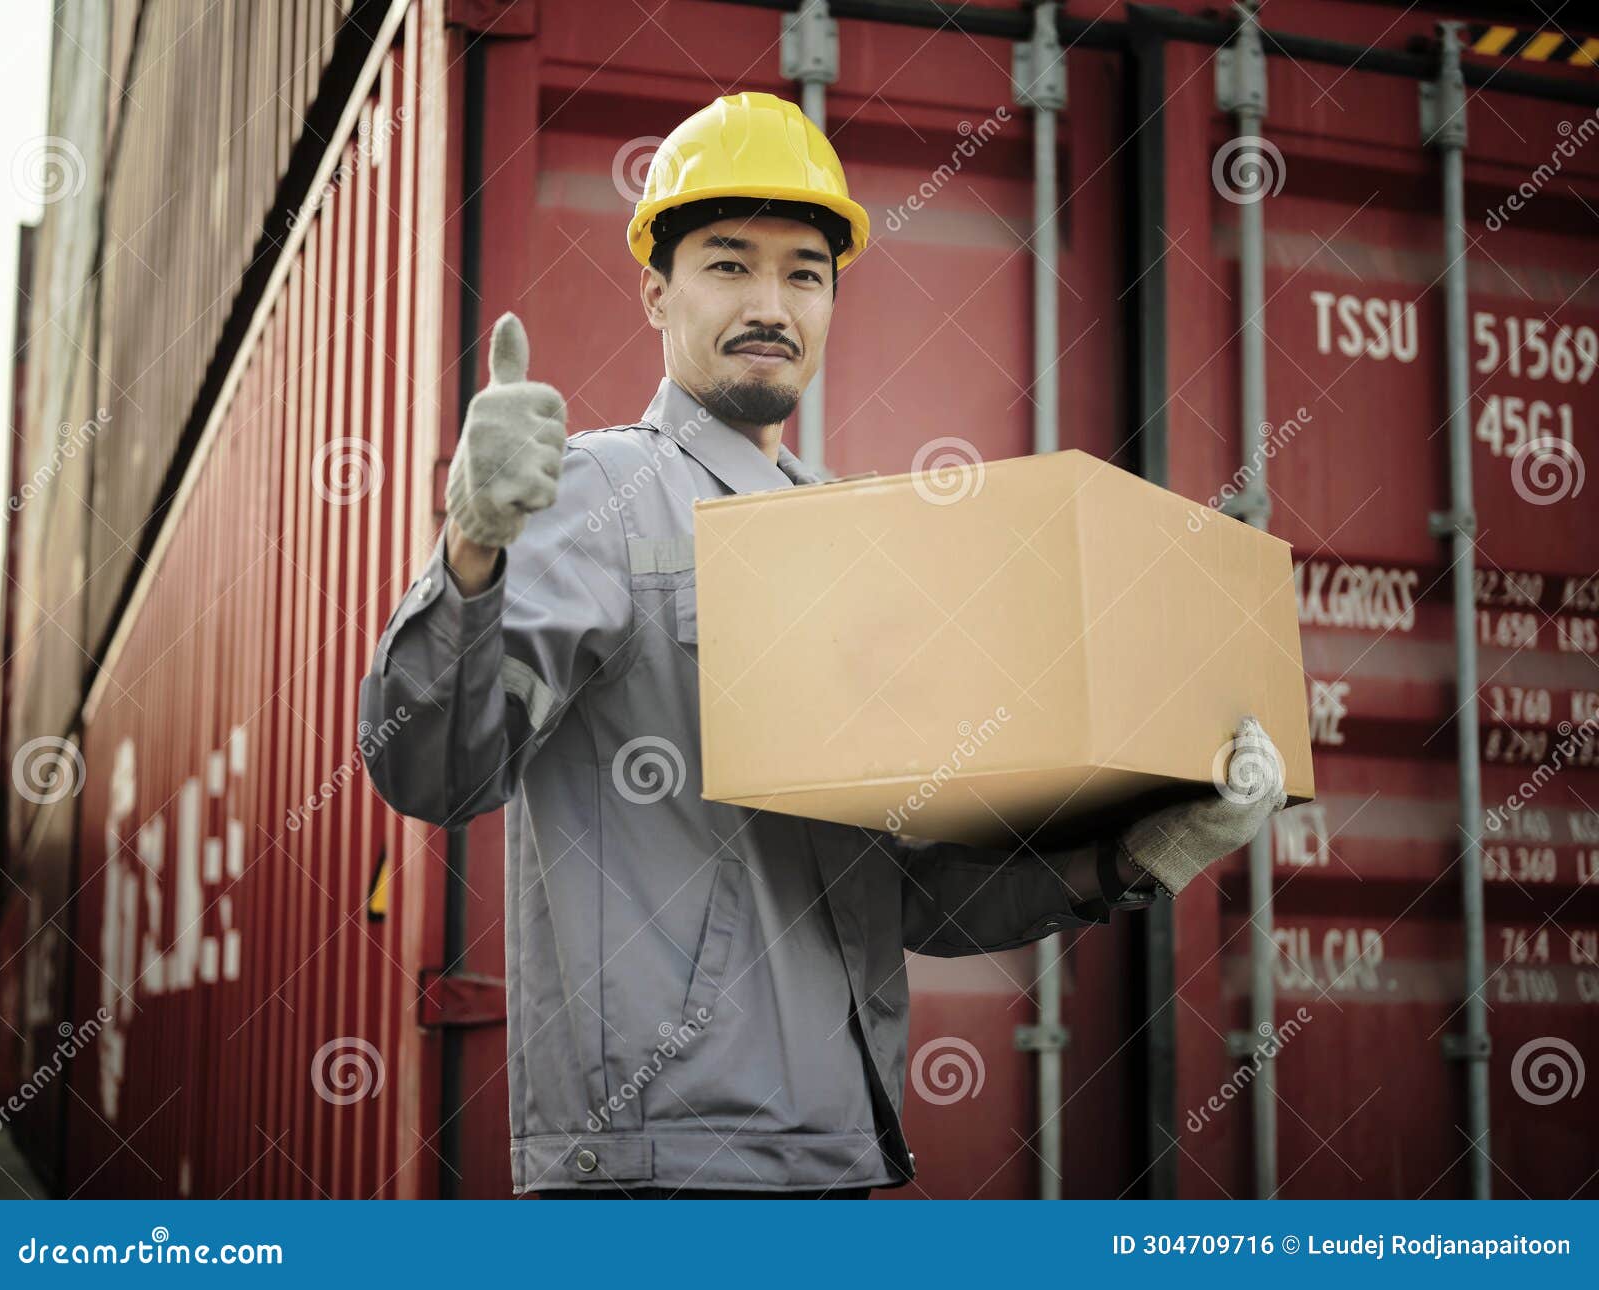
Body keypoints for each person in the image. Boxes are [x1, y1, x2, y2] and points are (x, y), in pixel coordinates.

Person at [358, 91, 1287, 1199]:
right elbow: (435, 772)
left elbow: (908, 899)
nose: (770, 302)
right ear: (656, 290)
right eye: (728, 264)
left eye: (804, 272)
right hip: (663, 1176)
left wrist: (1151, 848)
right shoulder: (598, 494)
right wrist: (471, 547)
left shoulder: (851, 540)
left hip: (843, 1155)